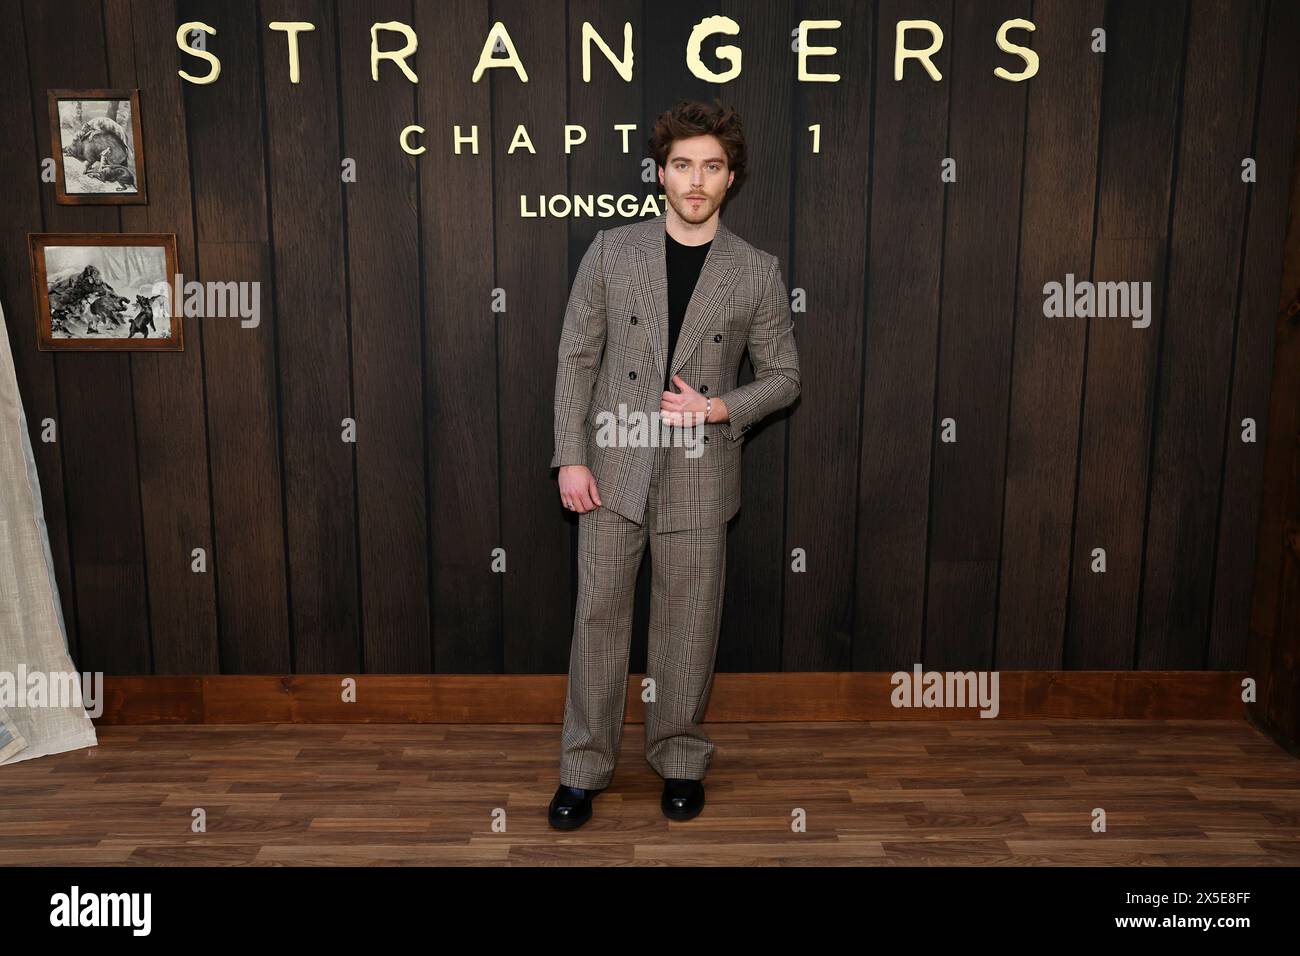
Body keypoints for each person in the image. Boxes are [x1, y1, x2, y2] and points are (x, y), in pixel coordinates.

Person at [548, 99, 800, 829]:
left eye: (712, 167)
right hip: (609, 468)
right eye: (683, 165)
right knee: (597, 620)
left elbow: (786, 377)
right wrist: (570, 458)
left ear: (730, 179)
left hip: (699, 472)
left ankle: (681, 756)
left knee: (688, 626)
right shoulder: (612, 250)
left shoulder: (755, 271)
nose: (696, 180)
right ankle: (583, 768)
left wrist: (718, 408)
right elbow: (576, 357)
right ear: (661, 174)